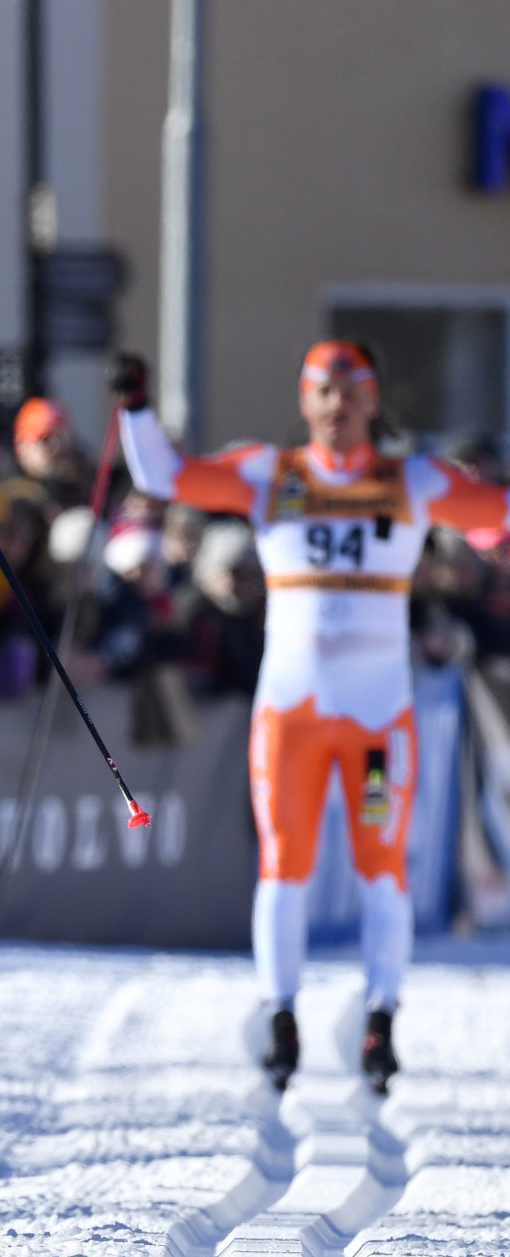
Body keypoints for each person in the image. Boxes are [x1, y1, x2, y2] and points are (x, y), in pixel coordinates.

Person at [112, 344, 510, 1094]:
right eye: (323, 393)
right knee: (285, 862)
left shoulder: (410, 481)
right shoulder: (272, 475)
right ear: (306, 401)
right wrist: (135, 408)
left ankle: (381, 1017)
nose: (337, 408)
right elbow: (164, 476)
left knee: (380, 866)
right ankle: (280, 1013)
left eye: (351, 394)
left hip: (375, 727)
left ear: (373, 402)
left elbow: (498, 512)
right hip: (291, 717)